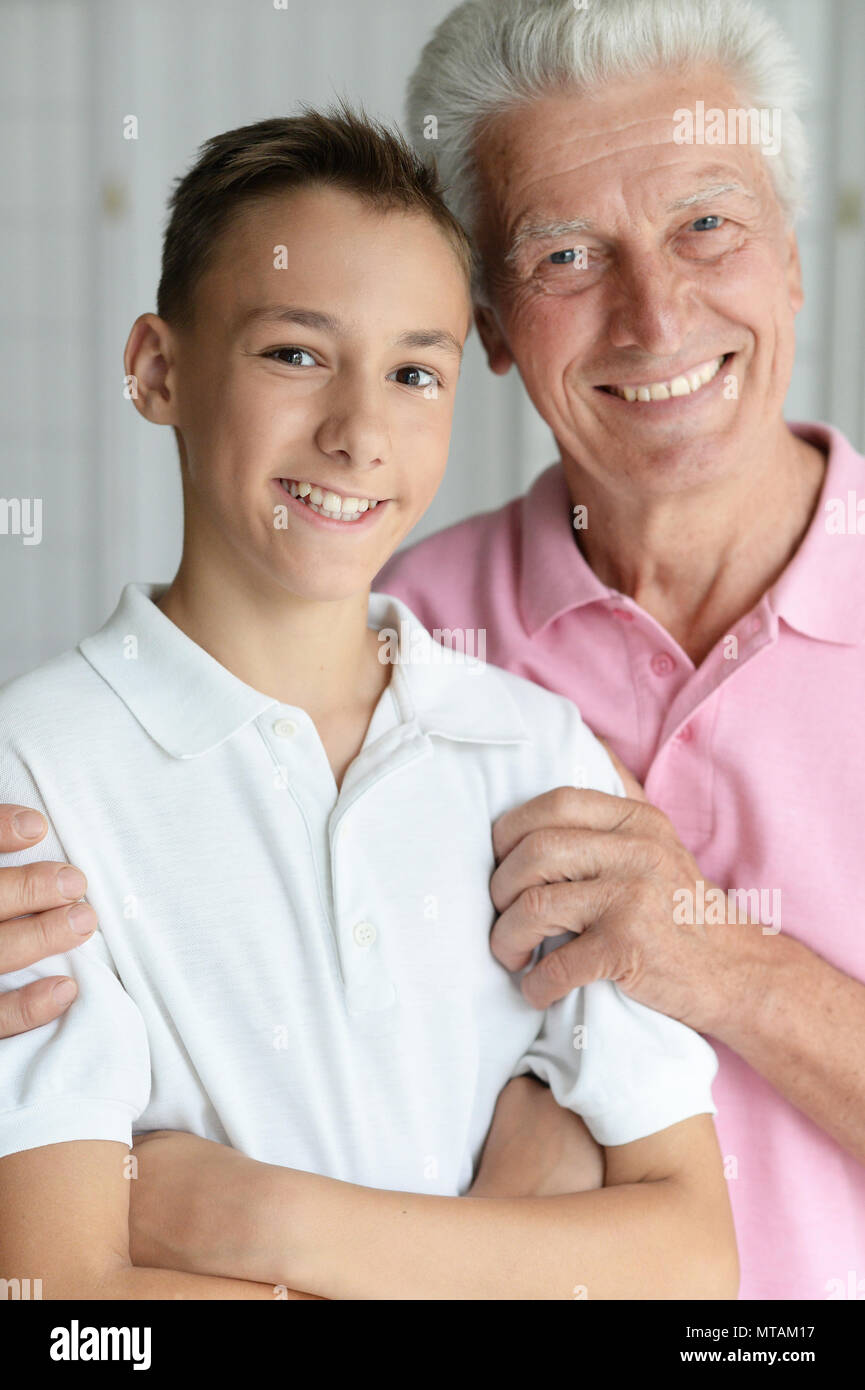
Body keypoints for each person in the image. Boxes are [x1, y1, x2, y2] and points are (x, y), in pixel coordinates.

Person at [0, 106, 735, 1300]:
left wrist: (260, 1222)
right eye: (294, 353)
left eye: (412, 373)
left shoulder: (531, 753)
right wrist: (515, 1252)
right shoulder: (38, 774)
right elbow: (64, 1310)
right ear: (156, 370)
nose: (356, 433)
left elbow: (690, 1264)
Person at [373, 0, 865, 1300]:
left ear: (792, 256)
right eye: (566, 257)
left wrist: (713, 955)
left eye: (708, 223)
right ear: (484, 321)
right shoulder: (394, 632)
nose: (655, 316)